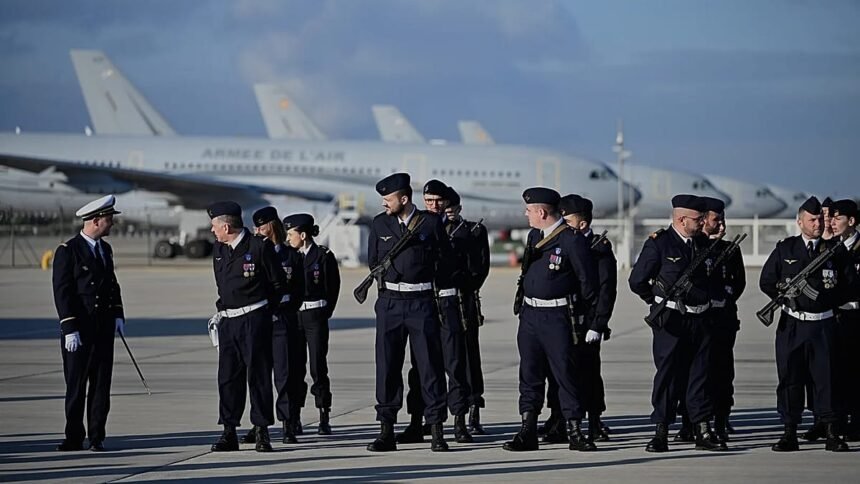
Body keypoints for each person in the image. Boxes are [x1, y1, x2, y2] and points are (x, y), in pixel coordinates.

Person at [629, 194, 726, 452]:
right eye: (698, 218)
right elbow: (637, 280)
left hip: (701, 319)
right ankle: (661, 430)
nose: (703, 222)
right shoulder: (660, 244)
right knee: (668, 377)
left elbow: (715, 282)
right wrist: (657, 302)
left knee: (700, 375)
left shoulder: (704, 244)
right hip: (671, 322)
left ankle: (702, 429)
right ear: (682, 220)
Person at [503, 187, 597, 452]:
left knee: (565, 374)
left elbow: (588, 284)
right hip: (531, 315)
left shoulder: (572, 240)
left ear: (541, 212)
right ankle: (527, 430)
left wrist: (588, 321)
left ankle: (575, 430)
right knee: (530, 374)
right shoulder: (535, 236)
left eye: (530, 210)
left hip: (558, 317)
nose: (526, 214)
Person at [365, 173, 450, 452]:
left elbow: (443, 259)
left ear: (404, 198)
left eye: (388, 199)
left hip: (421, 302)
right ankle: (386, 430)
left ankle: (437, 430)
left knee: (429, 367)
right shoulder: (380, 224)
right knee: (387, 366)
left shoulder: (431, 222)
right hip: (390, 303)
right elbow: (374, 261)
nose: (384, 203)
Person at [760, 196, 851, 452]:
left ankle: (832, 430)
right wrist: (784, 293)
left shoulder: (834, 250)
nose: (818, 224)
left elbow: (851, 285)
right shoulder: (785, 249)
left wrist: (826, 299)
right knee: (790, 378)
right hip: (793, 325)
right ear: (800, 222)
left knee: (827, 379)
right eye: (812, 220)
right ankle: (789, 431)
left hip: (823, 325)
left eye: (820, 219)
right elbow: (766, 280)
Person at [207, 201, 288, 453]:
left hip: (254, 319)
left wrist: (265, 312)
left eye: (215, 226)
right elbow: (221, 284)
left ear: (227, 226)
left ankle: (262, 432)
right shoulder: (219, 249)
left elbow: (278, 284)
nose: (212, 231)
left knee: (258, 376)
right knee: (228, 378)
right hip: (229, 321)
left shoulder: (259, 247)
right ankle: (229, 431)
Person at [398, 180, 473, 445]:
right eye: (428, 201)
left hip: (449, 302)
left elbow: (476, 270)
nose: (433, 206)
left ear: (449, 203)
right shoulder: (417, 227)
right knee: (420, 367)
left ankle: (460, 421)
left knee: (455, 364)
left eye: (438, 201)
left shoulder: (466, 230)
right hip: (424, 301)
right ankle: (417, 421)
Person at [542, 194, 617, 443]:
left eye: (568, 219)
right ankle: (558, 418)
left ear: (582, 224)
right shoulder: (557, 242)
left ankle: (594, 420)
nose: (562, 223)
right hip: (561, 318)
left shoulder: (597, 248)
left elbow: (606, 290)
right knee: (557, 372)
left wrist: (598, 324)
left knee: (588, 372)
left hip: (585, 322)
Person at [52, 194, 124, 452]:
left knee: (101, 386)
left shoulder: (105, 250)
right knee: (76, 386)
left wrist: (118, 314)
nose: (112, 224)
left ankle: (96, 436)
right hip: (79, 331)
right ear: (95, 221)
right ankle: (73, 437)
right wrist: (69, 327)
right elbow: (63, 292)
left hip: (103, 329)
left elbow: (112, 286)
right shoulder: (68, 251)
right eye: (109, 220)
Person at [239, 207, 304, 446]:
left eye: (261, 226)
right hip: (260, 319)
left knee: (285, 376)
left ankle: (288, 423)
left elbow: (299, 290)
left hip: (283, 321)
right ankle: (259, 425)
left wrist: (287, 312)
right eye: (255, 227)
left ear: (272, 226)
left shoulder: (291, 256)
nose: (257, 231)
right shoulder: (253, 253)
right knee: (258, 375)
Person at [283, 213, 341, 436]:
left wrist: (324, 313)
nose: (288, 239)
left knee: (318, 367)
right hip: (294, 317)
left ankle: (323, 414)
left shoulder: (323, 256)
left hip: (315, 316)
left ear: (303, 235)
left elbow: (332, 288)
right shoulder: (288, 256)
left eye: (291, 234)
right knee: (295, 368)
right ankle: (295, 416)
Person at [444, 186, 491, 435]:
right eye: (445, 209)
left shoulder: (473, 231)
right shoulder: (434, 229)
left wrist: (466, 284)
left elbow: (481, 266)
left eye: (453, 209)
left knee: (469, 357)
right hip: (439, 300)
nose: (449, 213)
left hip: (465, 300)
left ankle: (473, 408)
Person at [699, 197, 745, 443]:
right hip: (698, 320)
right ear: (703, 220)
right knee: (698, 373)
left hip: (723, 319)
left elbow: (738, 284)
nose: (721, 224)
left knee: (723, 371)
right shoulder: (695, 247)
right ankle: (694, 421)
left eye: (722, 219)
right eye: (716, 219)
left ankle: (722, 417)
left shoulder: (731, 249)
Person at [828, 199, 859, 441]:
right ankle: (835, 420)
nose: (832, 223)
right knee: (835, 371)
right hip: (835, 318)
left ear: (851, 221)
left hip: (856, 316)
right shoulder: (832, 249)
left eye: (837, 219)